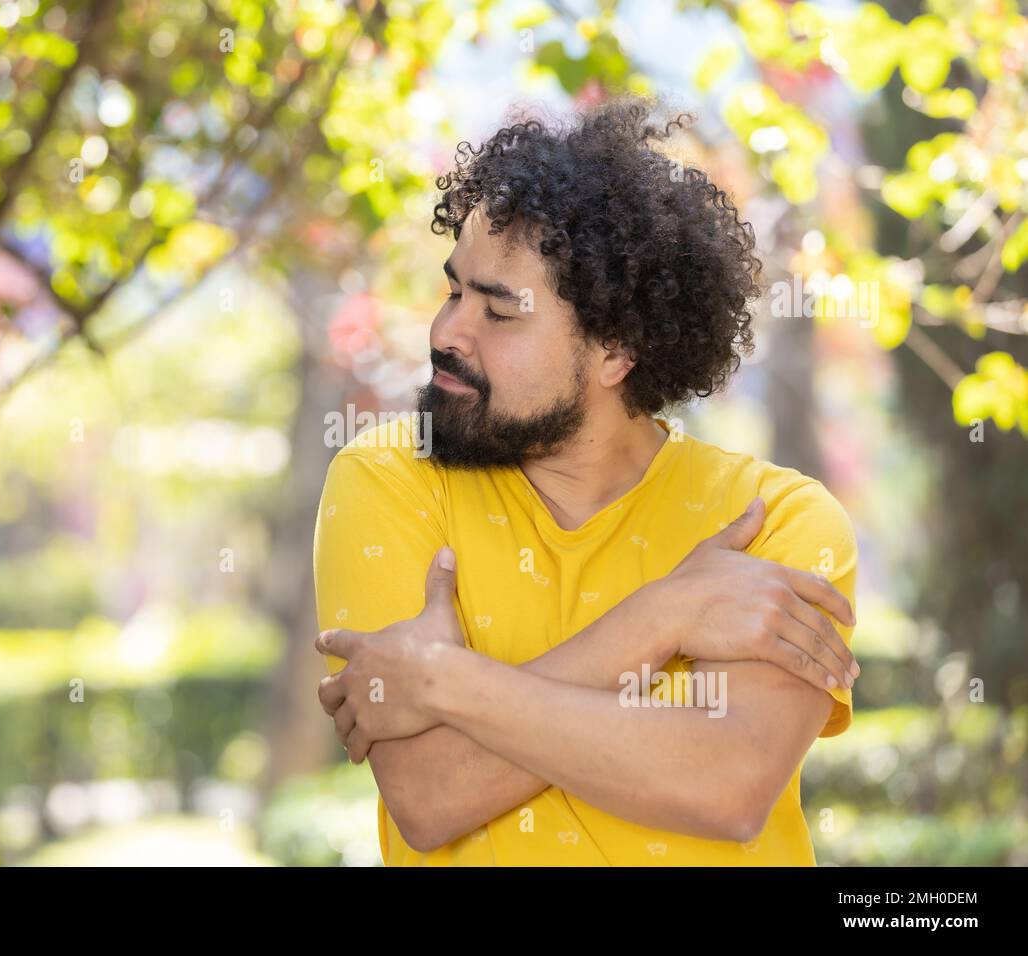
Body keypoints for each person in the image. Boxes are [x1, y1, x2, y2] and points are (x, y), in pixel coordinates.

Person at [312, 99, 859, 865]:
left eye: (498, 314)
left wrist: (439, 681)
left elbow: (726, 785)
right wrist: (667, 614)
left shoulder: (775, 522)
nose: (445, 334)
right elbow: (431, 799)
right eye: (453, 291)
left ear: (615, 352)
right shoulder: (388, 481)